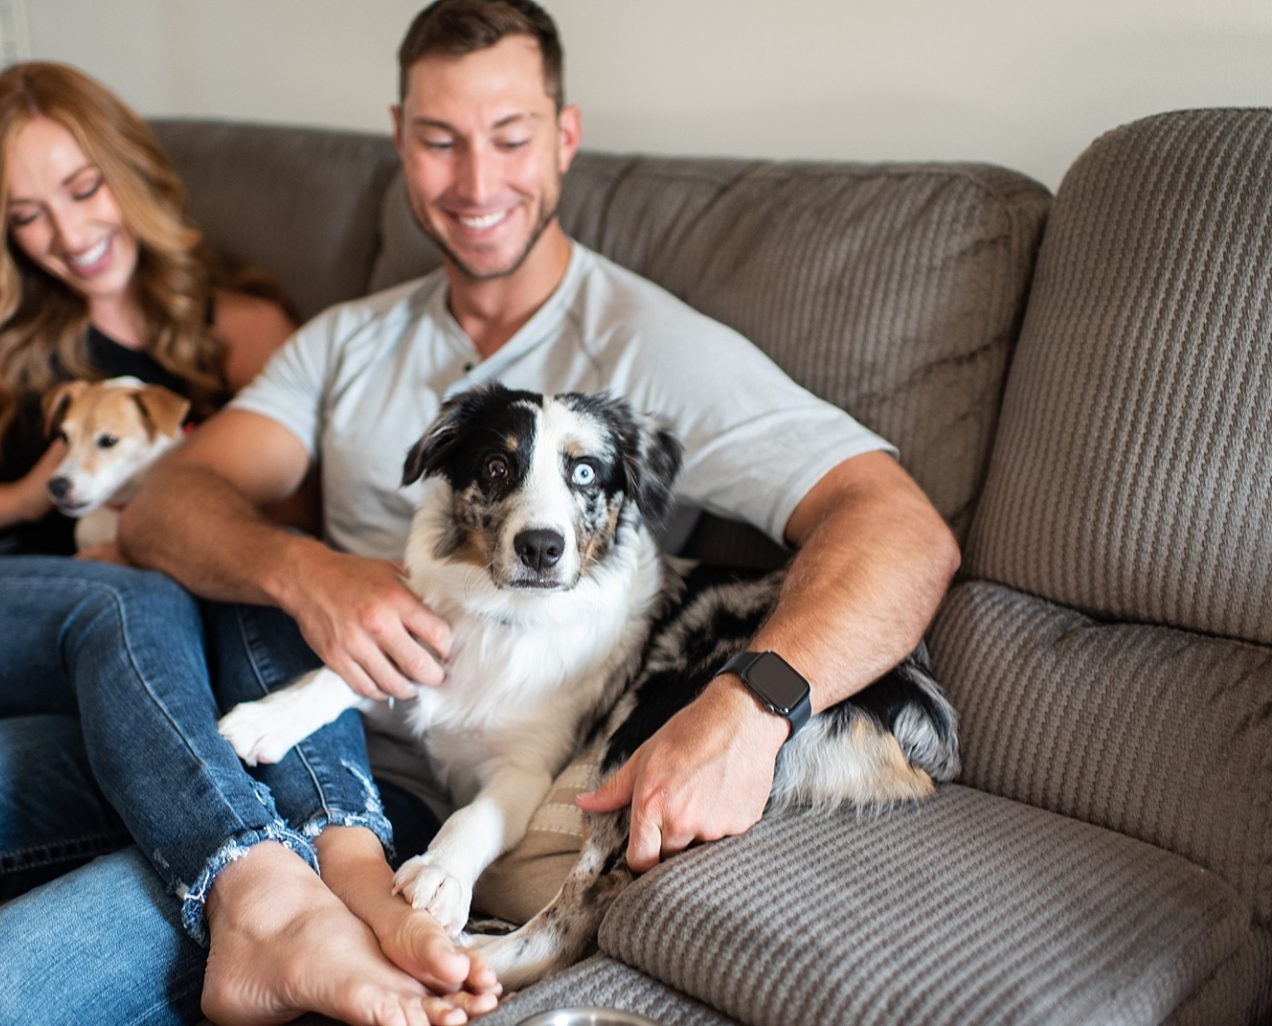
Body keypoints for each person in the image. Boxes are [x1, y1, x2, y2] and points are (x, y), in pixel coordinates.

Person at [121, 0, 960, 989]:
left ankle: (320, 904)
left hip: (435, 790)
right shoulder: (346, 339)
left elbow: (902, 529)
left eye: (510, 137)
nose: (477, 183)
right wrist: (304, 570)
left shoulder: (651, 348)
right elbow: (163, 501)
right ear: (399, 139)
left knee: (6, 982)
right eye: (440, 140)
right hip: (272, 711)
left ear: (564, 139)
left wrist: (754, 706)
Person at [0, 61, 496, 1026]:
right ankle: (274, 890)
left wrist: (175, 536)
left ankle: (323, 862)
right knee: (131, 596)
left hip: (134, 692)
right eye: (25, 216)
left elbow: (286, 542)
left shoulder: (242, 328)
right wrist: (18, 497)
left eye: (84, 189)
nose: (68, 233)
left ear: (132, 173)